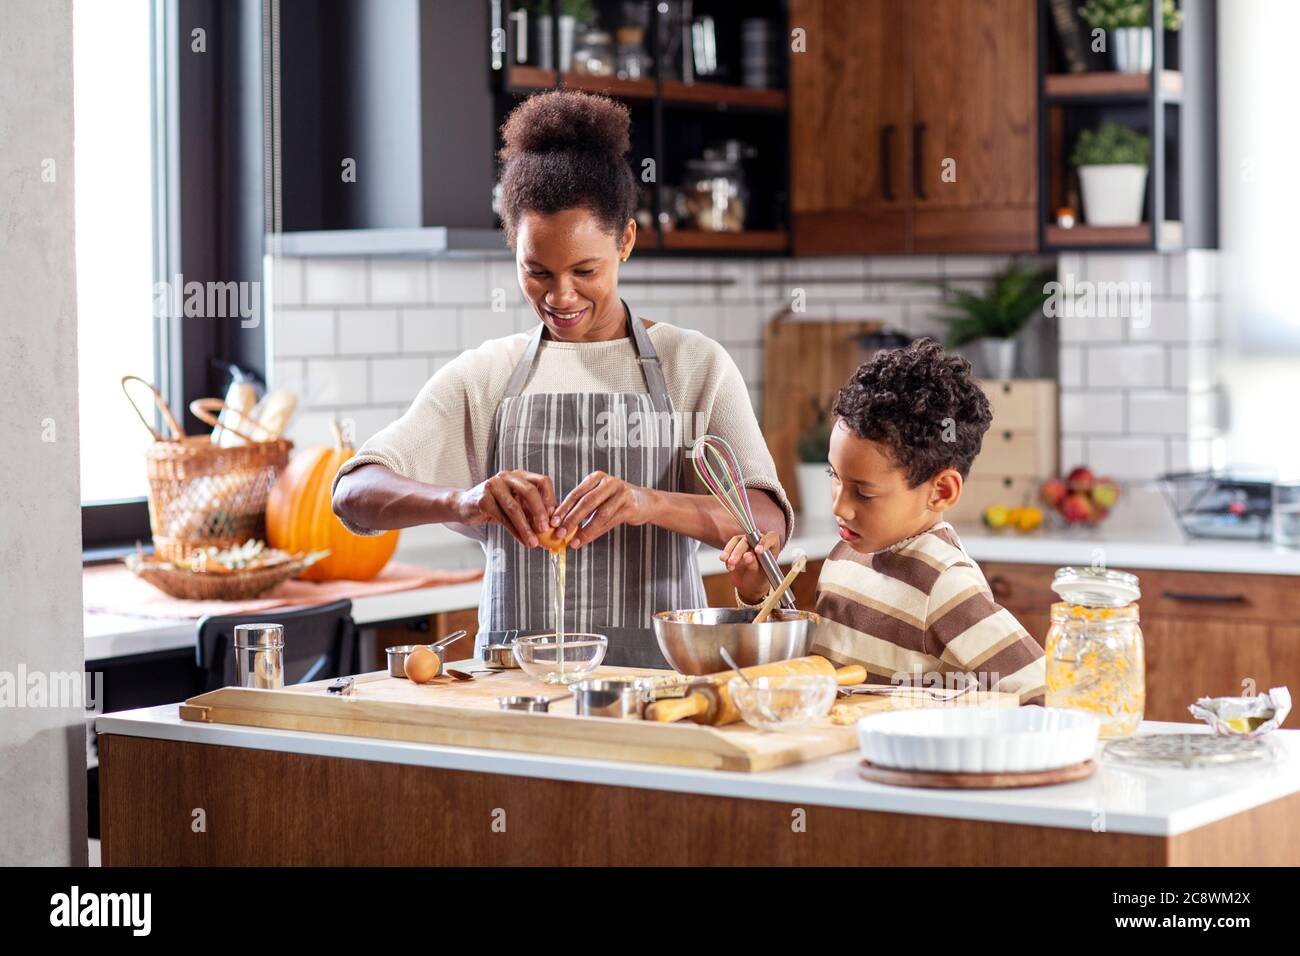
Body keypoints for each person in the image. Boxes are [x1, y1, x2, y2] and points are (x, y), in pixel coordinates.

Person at [332, 90, 791, 666]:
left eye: (585, 270)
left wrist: (647, 503)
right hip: (511, 692)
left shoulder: (691, 365)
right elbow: (352, 496)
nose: (560, 296)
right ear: (513, 249)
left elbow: (766, 520)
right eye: (537, 271)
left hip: (659, 686)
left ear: (625, 241)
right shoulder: (488, 375)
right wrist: (464, 499)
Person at [722, 339, 1046, 704]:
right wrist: (757, 595)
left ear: (940, 491)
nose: (839, 507)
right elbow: (814, 668)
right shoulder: (848, 550)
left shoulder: (944, 584)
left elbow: (1040, 694)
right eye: (834, 475)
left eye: (864, 492)